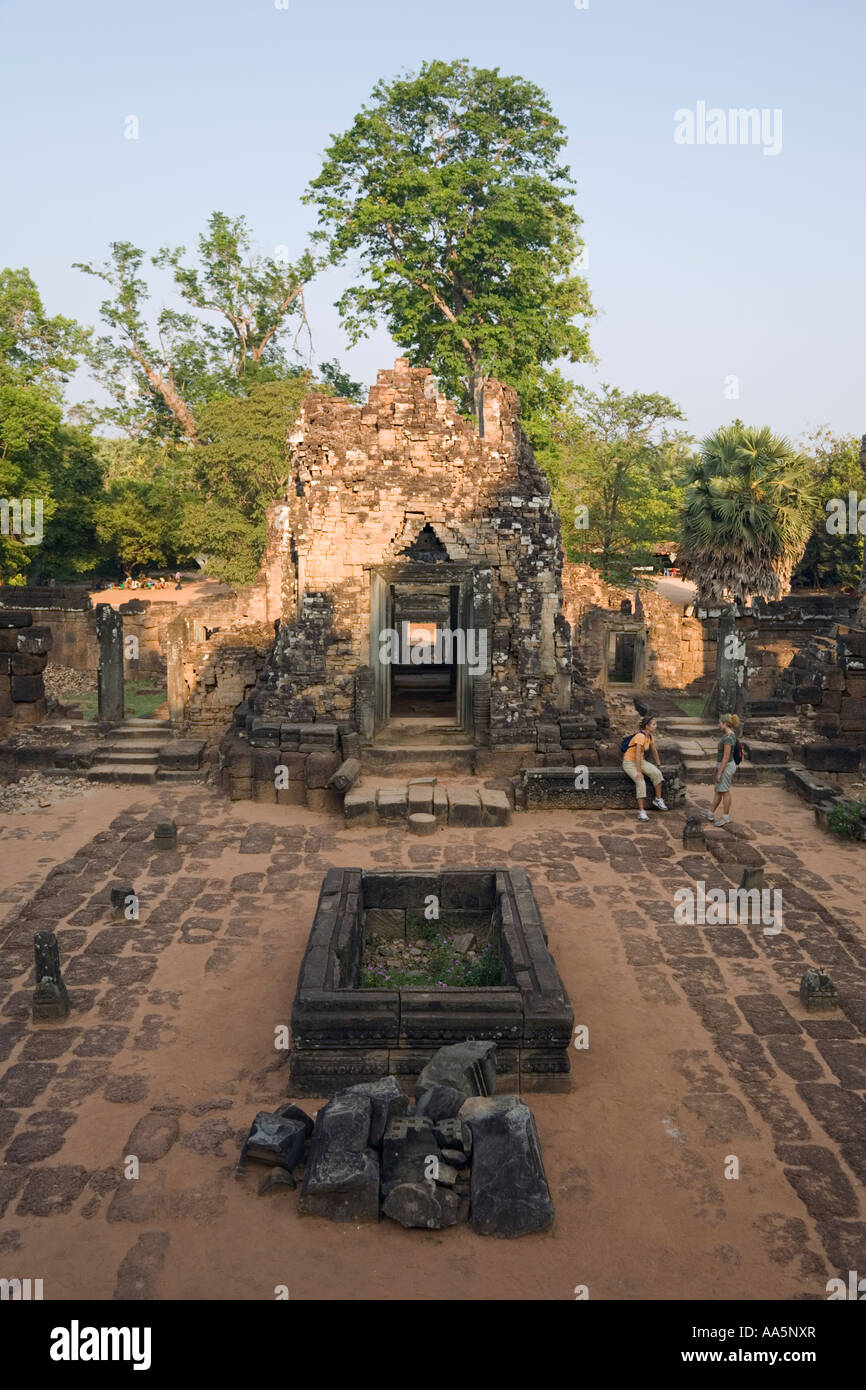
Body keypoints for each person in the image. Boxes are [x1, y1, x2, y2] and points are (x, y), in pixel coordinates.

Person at [622, 715, 668, 822]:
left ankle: (658, 799)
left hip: (641, 762)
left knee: (657, 774)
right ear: (647, 726)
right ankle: (641, 811)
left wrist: (659, 764)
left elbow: (654, 750)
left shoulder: (650, 736)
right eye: (653, 724)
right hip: (629, 763)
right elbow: (637, 755)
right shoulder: (640, 736)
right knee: (640, 781)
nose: (655, 726)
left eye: (655, 724)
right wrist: (638, 772)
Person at [708, 714, 740, 826]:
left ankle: (726, 816)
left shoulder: (728, 738)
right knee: (718, 790)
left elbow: (726, 757)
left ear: (725, 723)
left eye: (720, 723)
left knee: (725, 791)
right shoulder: (729, 735)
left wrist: (720, 772)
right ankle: (710, 813)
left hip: (726, 766)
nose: (719, 725)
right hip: (723, 765)